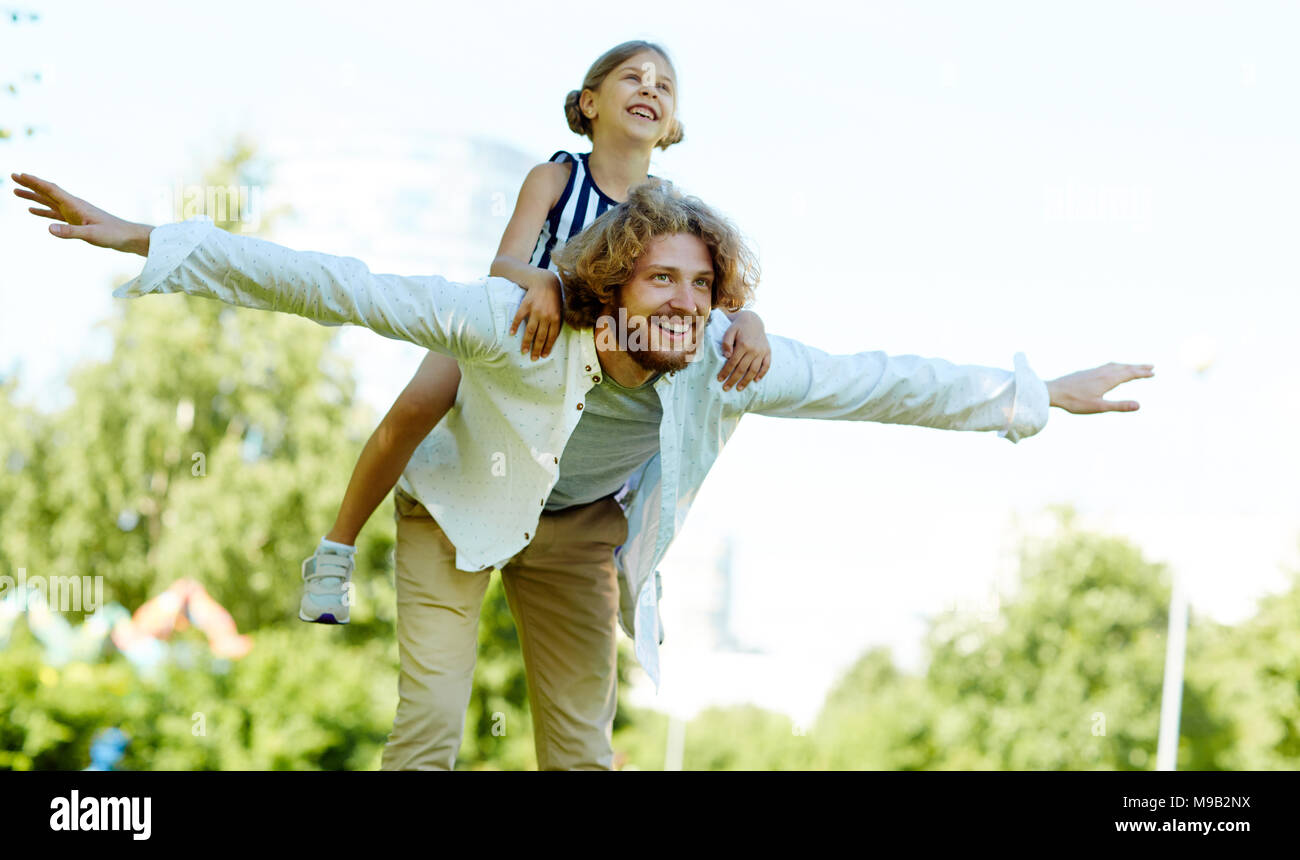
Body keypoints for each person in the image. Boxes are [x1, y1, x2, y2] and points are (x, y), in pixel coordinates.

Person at [12, 172, 1155, 770]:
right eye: (664, 281)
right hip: (457, 518)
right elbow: (332, 283)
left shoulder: (725, 361)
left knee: (580, 747)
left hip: (581, 540)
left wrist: (1038, 394)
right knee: (428, 729)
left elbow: (883, 382)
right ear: (614, 280)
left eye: (704, 288)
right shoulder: (519, 321)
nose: (687, 306)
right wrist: (144, 237)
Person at [301, 39, 769, 624]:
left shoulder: (672, 210)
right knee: (420, 402)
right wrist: (543, 282)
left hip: (610, 371)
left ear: (671, 124)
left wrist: (750, 320)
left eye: (664, 85)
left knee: (679, 426)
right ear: (590, 103)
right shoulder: (555, 177)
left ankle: (637, 565)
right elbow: (503, 265)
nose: (650, 89)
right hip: (524, 330)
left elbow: (710, 302)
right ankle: (336, 550)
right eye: (634, 78)